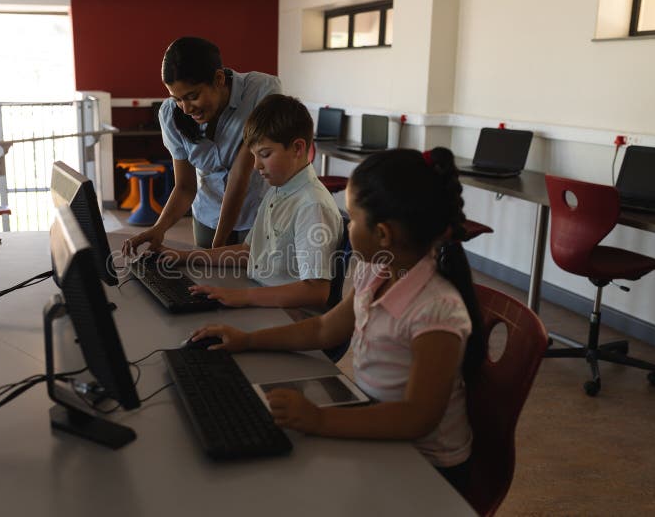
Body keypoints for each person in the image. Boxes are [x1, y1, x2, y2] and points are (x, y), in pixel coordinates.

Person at [189, 148, 485, 492]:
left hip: (427, 470)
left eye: (353, 218)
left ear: (384, 234)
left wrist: (319, 419)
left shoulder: (436, 310)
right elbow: (325, 328)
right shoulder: (375, 272)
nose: (347, 224)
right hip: (378, 426)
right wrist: (248, 340)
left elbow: (417, 417)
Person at [156, 94, 343, 309]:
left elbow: (315, 292)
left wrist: (242, 297)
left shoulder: (312, 206)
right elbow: (248, 252)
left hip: (288, 316)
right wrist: (185, 256)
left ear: (298, 148)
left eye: (265, 154)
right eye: (255, 156)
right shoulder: (278, 191)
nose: (256, 166)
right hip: (262, 299)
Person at [122, 37, 281, 252]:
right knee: (207, 281)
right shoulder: (171, 114)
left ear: (218, 79)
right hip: (208, 214)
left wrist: (216, 250)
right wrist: (159, 228)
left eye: (192, 96)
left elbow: (240, 175)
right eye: (177, 98)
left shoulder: (261, 91)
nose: (185, 108)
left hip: (257, 213)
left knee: (252, 280)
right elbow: (185, 187)